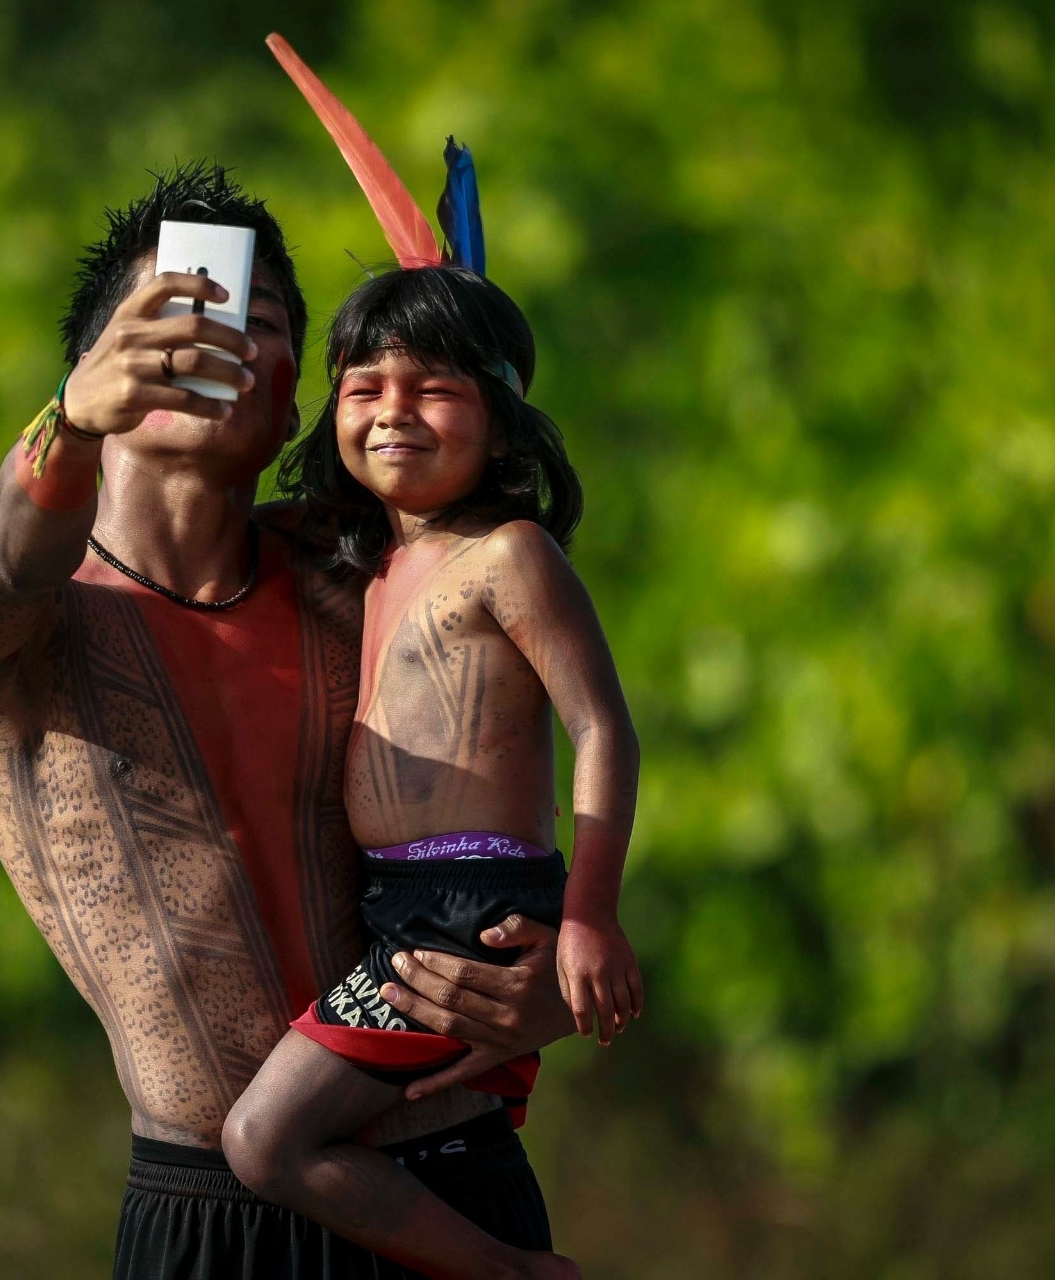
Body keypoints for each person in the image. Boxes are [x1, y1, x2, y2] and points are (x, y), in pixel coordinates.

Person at [0, 163, 573, 1279]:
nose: (205, 348)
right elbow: (9, 562)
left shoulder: (375, 578)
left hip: (455, 1182)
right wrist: (67, 423)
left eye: (252, 324)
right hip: (211, 1220)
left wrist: (548, 968)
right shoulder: (0, 608)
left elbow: (527, 771)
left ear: (298, 391)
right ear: (95, 366)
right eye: (168, 320)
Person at [219, 262, 642, 1280]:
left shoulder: (510, 554)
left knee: (263, 1140)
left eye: (436, 388)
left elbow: (605, 731)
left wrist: (587, 913)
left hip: (472, 909)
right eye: (366, 389)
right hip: (400, 901)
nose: (394, 413)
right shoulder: (360, 561)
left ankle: (510, 1271)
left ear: (501, 424)